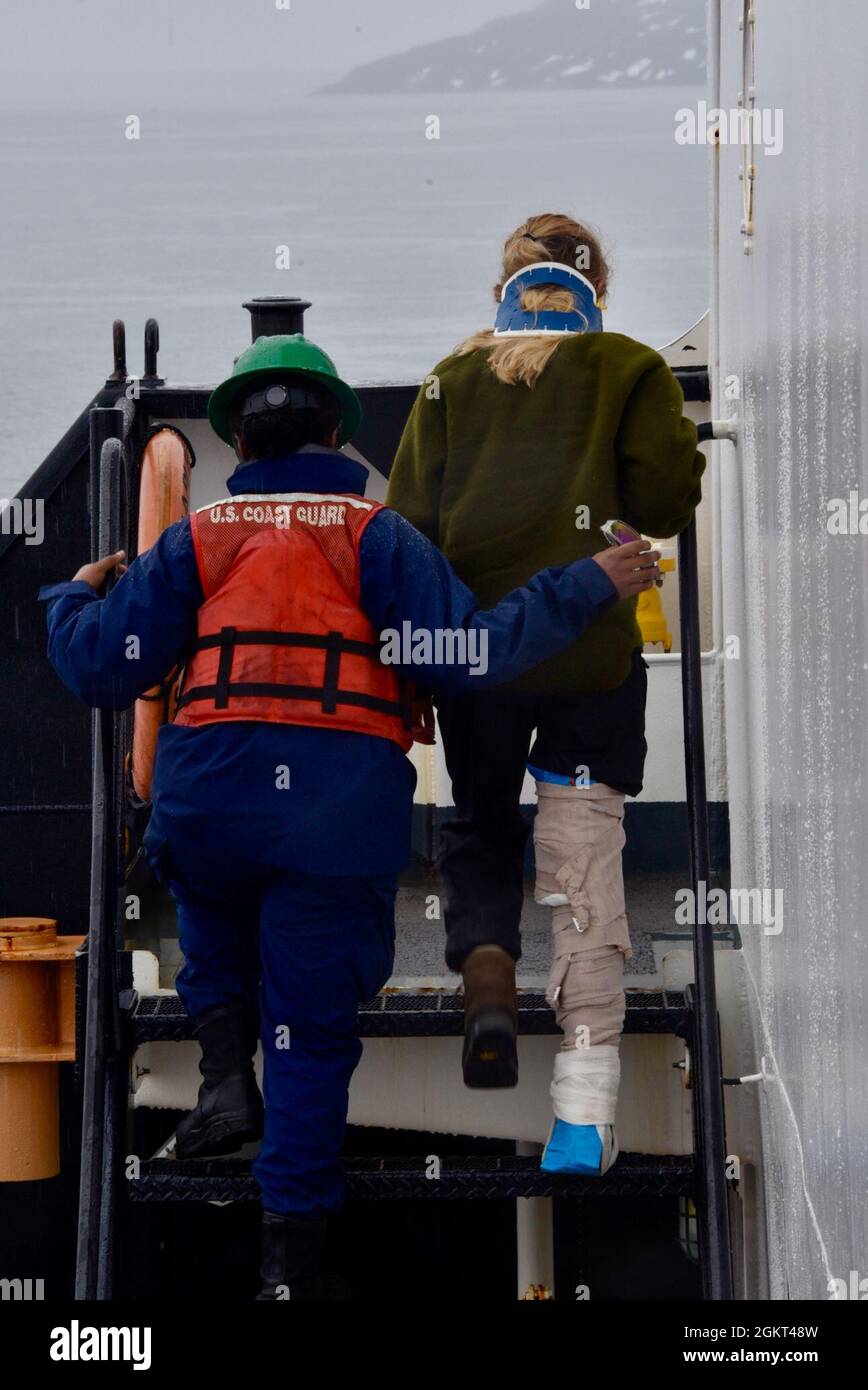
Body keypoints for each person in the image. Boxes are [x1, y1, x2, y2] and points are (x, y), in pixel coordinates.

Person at [38, 332, 660, 1297]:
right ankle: (286, 1267)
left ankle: (220, 1077)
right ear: (336, 432)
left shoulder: (195, 539)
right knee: (309, 1028)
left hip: (208, 796)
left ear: (238, 443)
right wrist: (590, 581)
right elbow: (472, 657)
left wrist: (68, 599)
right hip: (333, 819)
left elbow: (99, 667)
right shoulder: (378, 537)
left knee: (201, 885)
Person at [386, 212, 704, 1177]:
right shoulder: (630, 367)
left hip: (481, 653)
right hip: (589, 659)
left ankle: (485, 969)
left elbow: (405, 530)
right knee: (583, 861)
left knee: (480, 826)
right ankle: (581, 1109)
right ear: (595, 284)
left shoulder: (449, 379)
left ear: (504, 289)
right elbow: (662, 501)